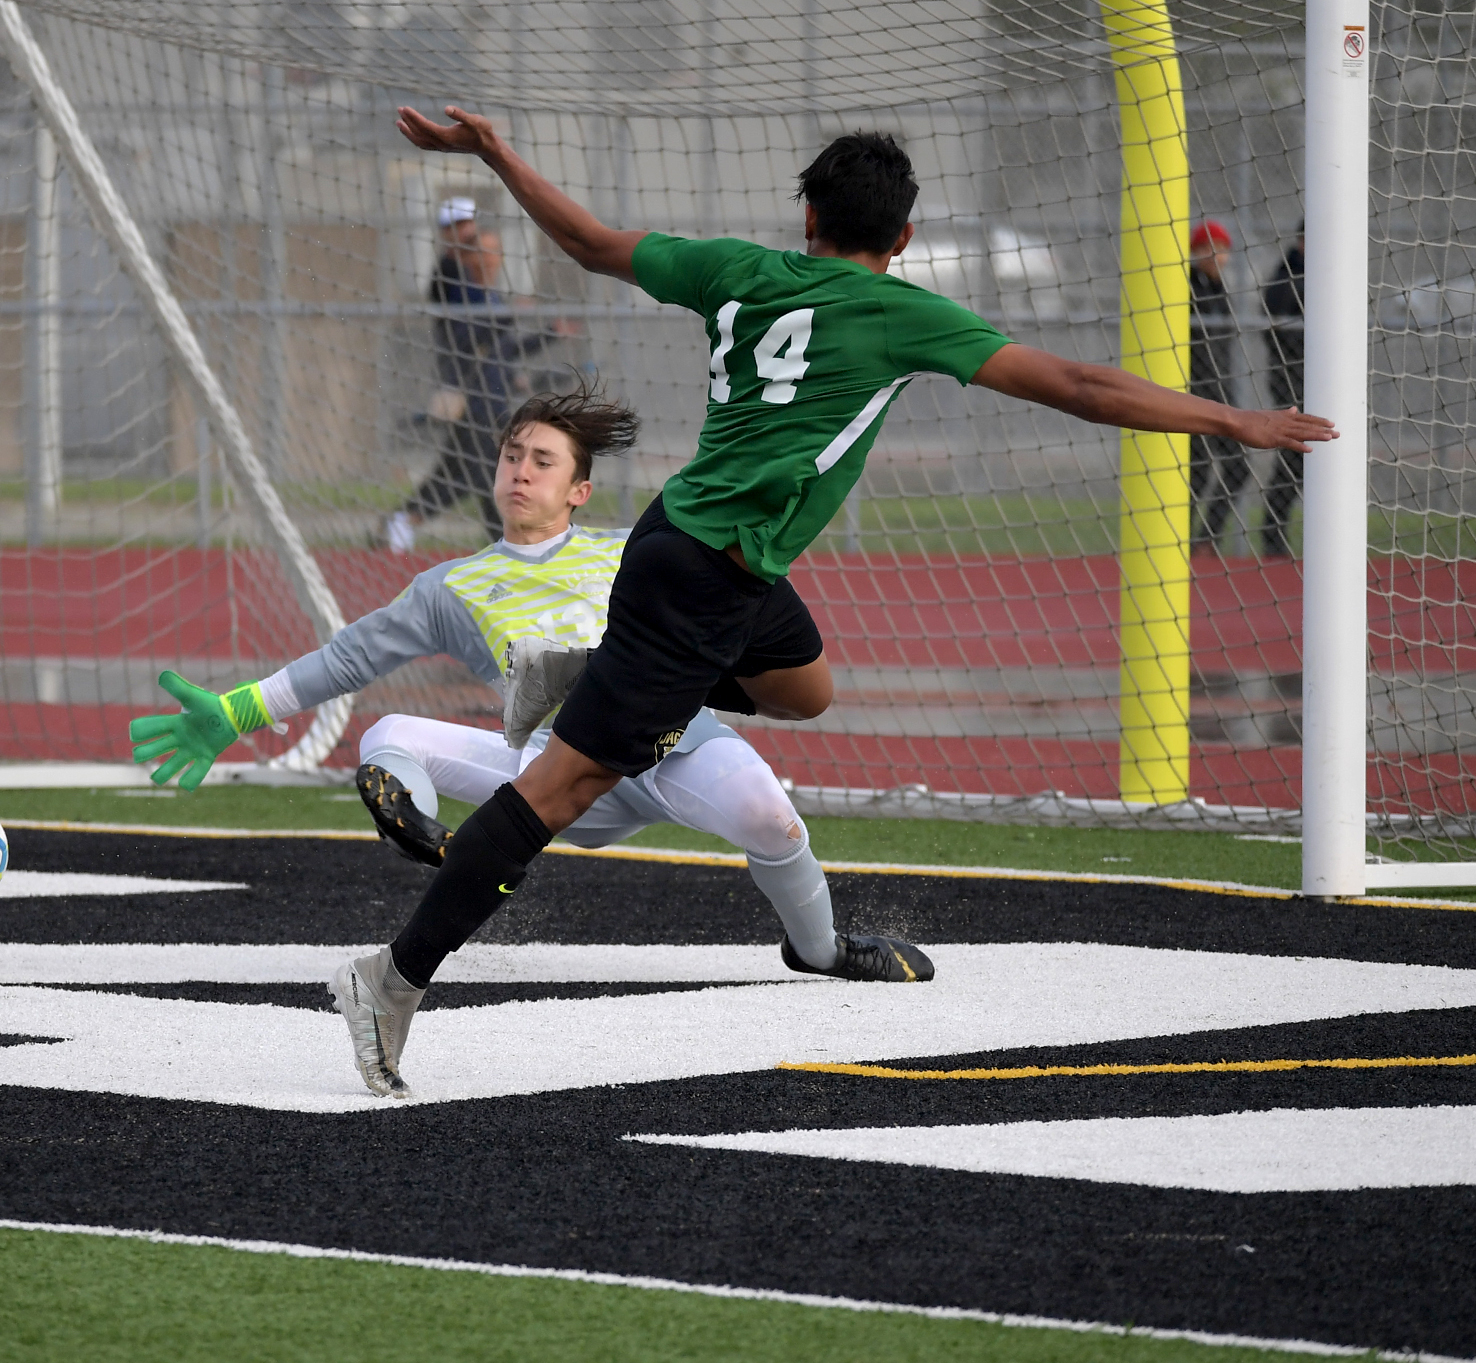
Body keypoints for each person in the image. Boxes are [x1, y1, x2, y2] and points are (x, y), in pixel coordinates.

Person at [321, 107, 1337, 1101]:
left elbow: (588, 244)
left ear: (808, 220)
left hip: (704, 561)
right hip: (702, 584)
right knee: (559, 793)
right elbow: (1073, 381)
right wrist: (1234, 418)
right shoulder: (900, 310)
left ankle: (589, 673)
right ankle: (390, 981)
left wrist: (496, 149)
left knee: (806, 687)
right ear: (901, 239)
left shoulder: (736, 268)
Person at [130, 386, 922, 1097]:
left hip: (675, 742)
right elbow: (348, 658)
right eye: (512, 455)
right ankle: (421, 830)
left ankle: (817, 949)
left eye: (542, 460)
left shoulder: (631, 549)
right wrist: (235, 713)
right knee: (388, 733)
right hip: (555, 767)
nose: (520, 470)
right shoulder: (451, 585)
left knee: (770, 817)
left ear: (579, 489)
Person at [386, 198, 566, 552]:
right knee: (490, 471)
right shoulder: (451, 278)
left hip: (493, 393)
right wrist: (507, 316)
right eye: (480, 249)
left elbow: (503, 347)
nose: (491, 257)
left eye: (493, 250)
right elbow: (469, 338)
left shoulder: (489, 295)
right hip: (474, 394)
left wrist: (548, 335)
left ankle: (405, 519)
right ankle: (500, 541)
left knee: (460, 471)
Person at [1188, 220, 1250, 552]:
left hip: (1219, 392)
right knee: (1197, 471)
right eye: (1209, 248)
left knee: (1236, 467)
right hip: (1195, 393)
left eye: (1222, 249)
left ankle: (1206, 538)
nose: (1217, 256)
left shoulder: (1217, 290)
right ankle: (1185, 541)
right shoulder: (1188, 288)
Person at [1261, 226, 1305, 558]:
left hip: (1313, 381)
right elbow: (1275, 329)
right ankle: (1272, 538)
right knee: (1291, 461)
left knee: (1305, 463)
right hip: (1290, 382)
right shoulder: (1284, 278)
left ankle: (1276, 537)